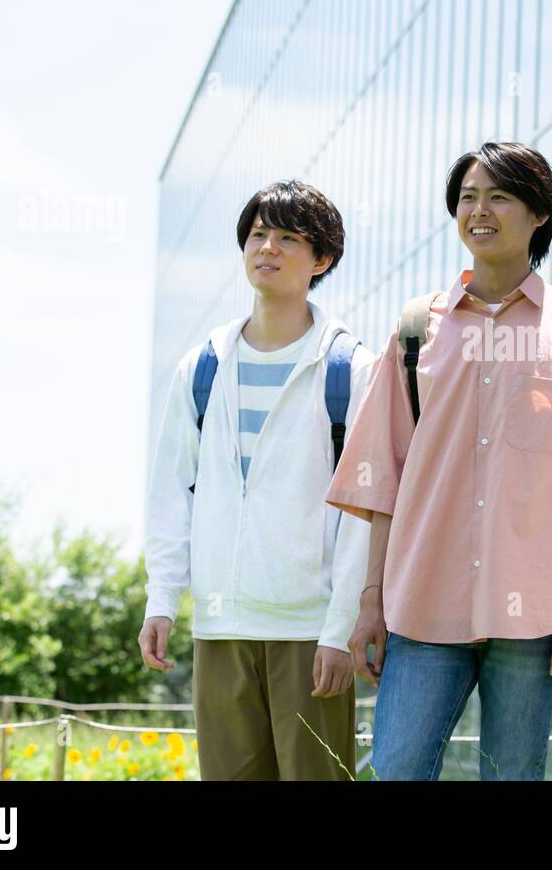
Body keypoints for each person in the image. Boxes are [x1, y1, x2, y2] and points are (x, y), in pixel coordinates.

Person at [324, 141, 552, 780]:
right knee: (398, 768)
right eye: (467, 197)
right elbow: (386, 477)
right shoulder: (417, 330)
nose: (480, 210)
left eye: (500, 196)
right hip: (422, 603)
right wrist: (371, 598)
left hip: (535, 611)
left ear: (538, 213)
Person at [139, 179, 375, 780]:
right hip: (220, 624)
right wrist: (163, 598)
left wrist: (339, 628)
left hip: (309, 632)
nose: (266, 247)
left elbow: (362, 514)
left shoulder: (351, 368)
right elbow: (171, 491)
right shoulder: (203, 367)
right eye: (257, 234)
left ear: (321, 259)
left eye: (288, 237)